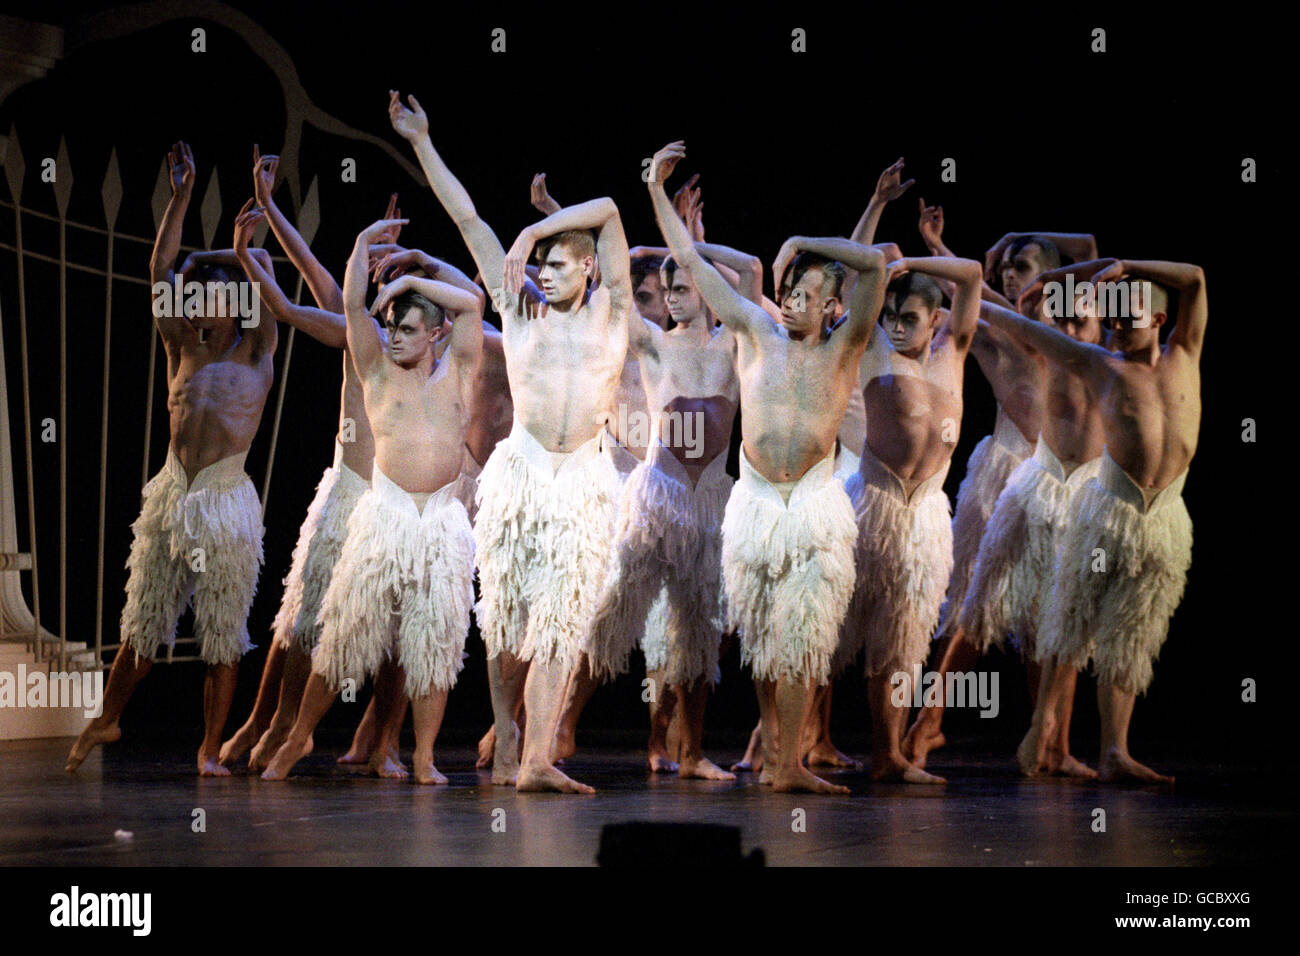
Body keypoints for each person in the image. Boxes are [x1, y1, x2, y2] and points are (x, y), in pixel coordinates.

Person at [390, 90, 633, 793]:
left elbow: (613, 211)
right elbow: (466, 217)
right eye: (541, 263)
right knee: (504, 618)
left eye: (558, 263)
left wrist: (537, 230)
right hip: (521, 471)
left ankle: (534, 759)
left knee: (561, 621)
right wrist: (420, 142)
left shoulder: (611, 315)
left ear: (586, 268)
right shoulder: (517, 309)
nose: (544, 272)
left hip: (582, 476)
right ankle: (508, 744)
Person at [652, 140, 888, 793]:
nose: (791, 300)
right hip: (755, 502)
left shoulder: (846, 344)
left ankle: (788, 765)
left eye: (808, 294)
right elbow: (694, 266)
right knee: (760, 639)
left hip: (812, 502)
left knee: (804, 638)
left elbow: (874, 266)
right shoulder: (755, 329)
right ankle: (779, 754)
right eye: (790, 290)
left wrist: (803, 241)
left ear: (832, 306)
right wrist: (653, 192)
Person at [67, 143, 277, 775]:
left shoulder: (256, 351)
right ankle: (108, 718)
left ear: (232, 303)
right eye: (191, 302)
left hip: (226, 498)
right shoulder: (178, 346)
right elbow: (158, 269)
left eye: (206, 299)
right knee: (142, 626)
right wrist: (182, 196)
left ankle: (209, 749)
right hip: (172, 492)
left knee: (221, 637)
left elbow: (263, 264)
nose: (192, 308)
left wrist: (237, 250)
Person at [261, 217, 484, 784]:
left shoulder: (458, 367)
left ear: (435, 333)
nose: (395, 336)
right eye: (392, 327)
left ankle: (425, 755)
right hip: (383, 515)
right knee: (344, 635)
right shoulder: (376, 369)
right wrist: (363, 249)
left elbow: (474, 303)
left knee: (432, 647)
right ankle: (299, 735)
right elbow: (355, 306)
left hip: (440, 522)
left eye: (408, 328)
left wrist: (416, 279)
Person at [989, 259, 1204, 784]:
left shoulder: (1186, 354)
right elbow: (1024, 327)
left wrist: (1125, 265)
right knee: (1072, 621)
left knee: (1131, 635)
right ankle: (1040, 727)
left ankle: (1115, 751)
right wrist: (1048, 287)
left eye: (1126, 317)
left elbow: (1194, 277)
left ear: (1157, 320)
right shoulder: (1097, 363)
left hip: (1165, 516)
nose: (1113, 327)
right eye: (1109, 318)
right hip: (1109, 506)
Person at [833, 252, 981, 784]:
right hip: (873, 506)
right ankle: (778, 744)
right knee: (830, 636)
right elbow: (854, 286)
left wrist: (912, 259)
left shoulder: (953, 353)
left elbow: (970, 276)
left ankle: (886, 754)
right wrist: (881, 267)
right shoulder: (876, 350)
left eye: (909, 318)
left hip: (925, 520)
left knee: (901, 644)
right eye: (891, 316)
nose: (896, 327)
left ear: (935, 320)